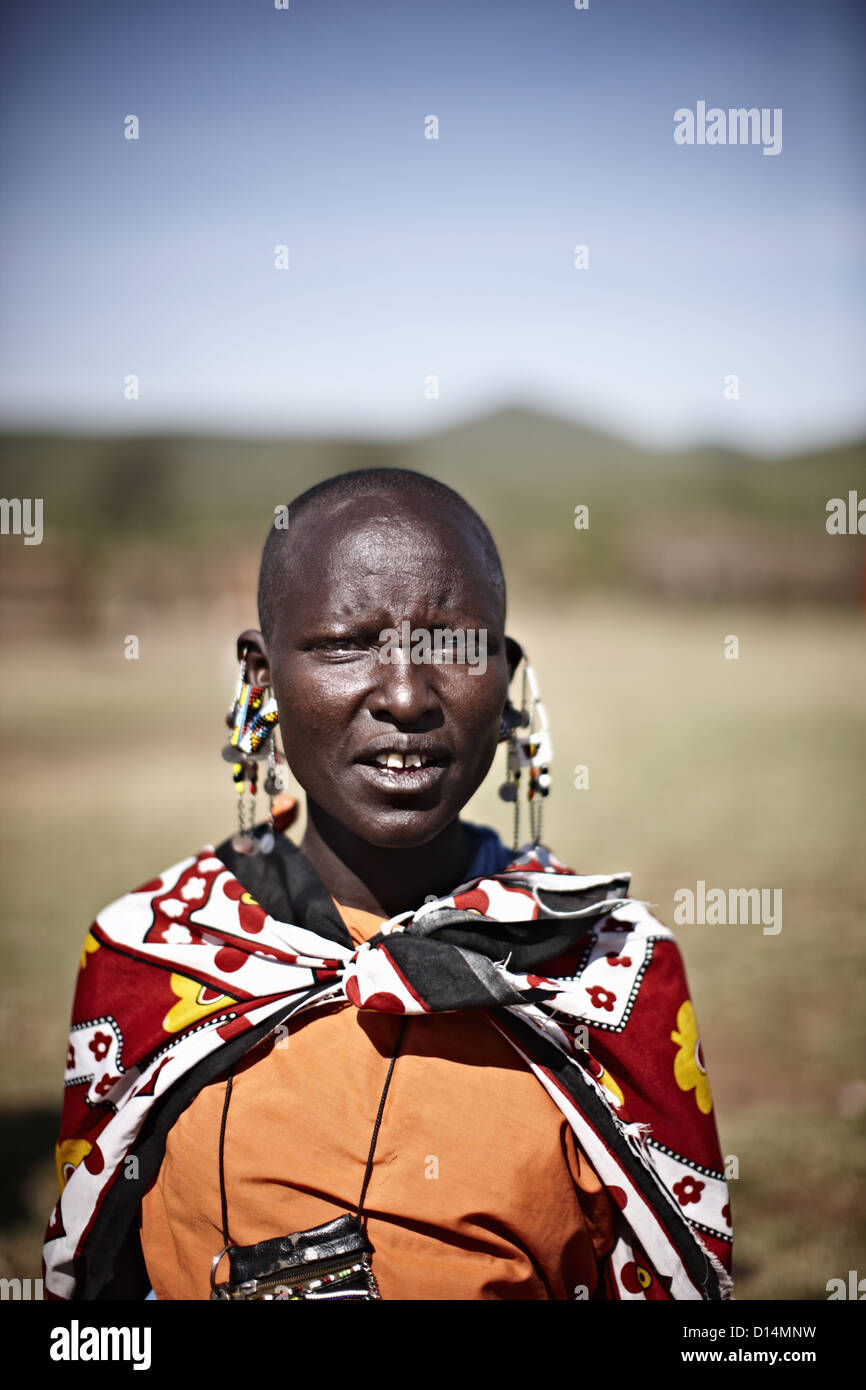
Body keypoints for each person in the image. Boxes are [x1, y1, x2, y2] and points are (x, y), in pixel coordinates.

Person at [43, 468, 733, 1301]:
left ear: (506, 679)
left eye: (453, 645)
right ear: (260, 679)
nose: (406, 696)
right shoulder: (145, 952)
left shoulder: (608, 966)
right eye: (345, 643)